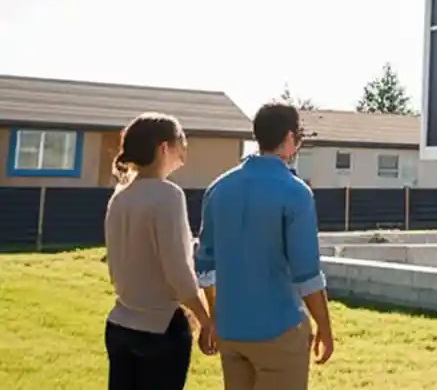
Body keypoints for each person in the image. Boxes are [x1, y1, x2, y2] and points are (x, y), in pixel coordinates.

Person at [195, 102, 334, 389]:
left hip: (231, 330)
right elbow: (306, 273)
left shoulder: (218, 189)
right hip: (278, 329)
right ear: (289, 138)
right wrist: (325, 326)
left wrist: (216, 314)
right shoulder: (296, 193)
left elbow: (205, 265)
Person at [104, 112, 217, 390]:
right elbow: (178, 269)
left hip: (120, 324)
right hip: (159, 330)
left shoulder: (120, 196)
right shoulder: (168, 195)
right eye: (182, 143)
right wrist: (206, 319)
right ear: (163, 147)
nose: (185, 150)